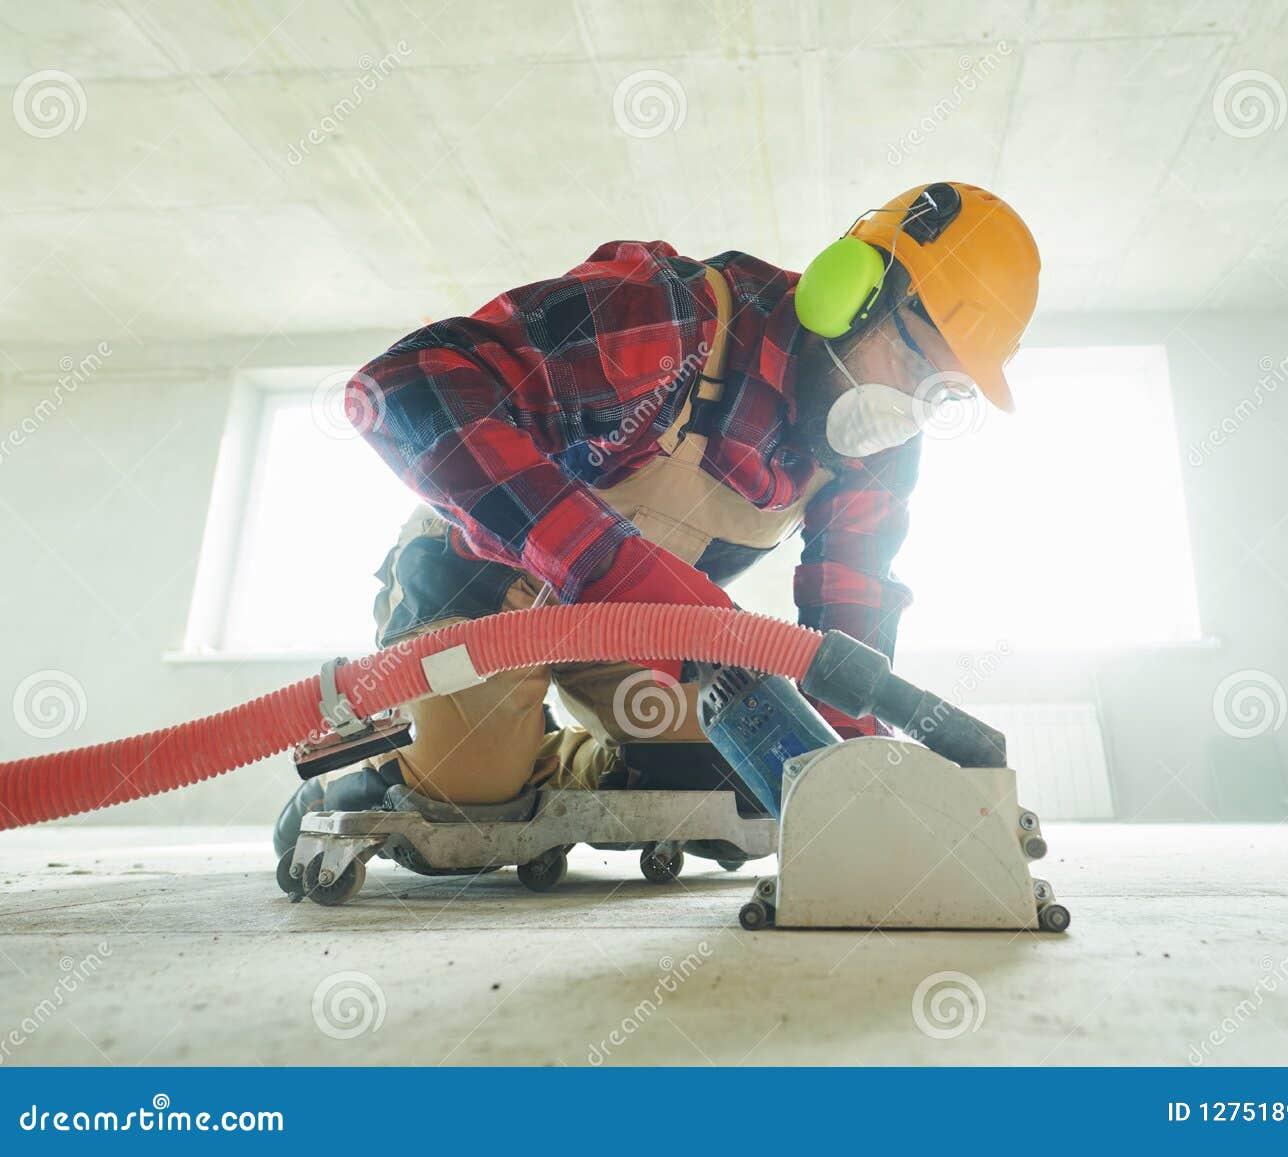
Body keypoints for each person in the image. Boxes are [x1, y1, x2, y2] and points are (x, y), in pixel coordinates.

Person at [273, 181, 1039, 860]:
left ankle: (554, 764)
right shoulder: (678, 318)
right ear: (850, 290)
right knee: (464, 807)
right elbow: (404, 388)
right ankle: (375, 776)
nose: (909, 415)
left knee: (752, 779)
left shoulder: (872, 445)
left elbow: (851, 612)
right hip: (487, 577)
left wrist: (850, 783)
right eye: (914, 362)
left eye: (942, 395)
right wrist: (612, 564)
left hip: (644, 623)